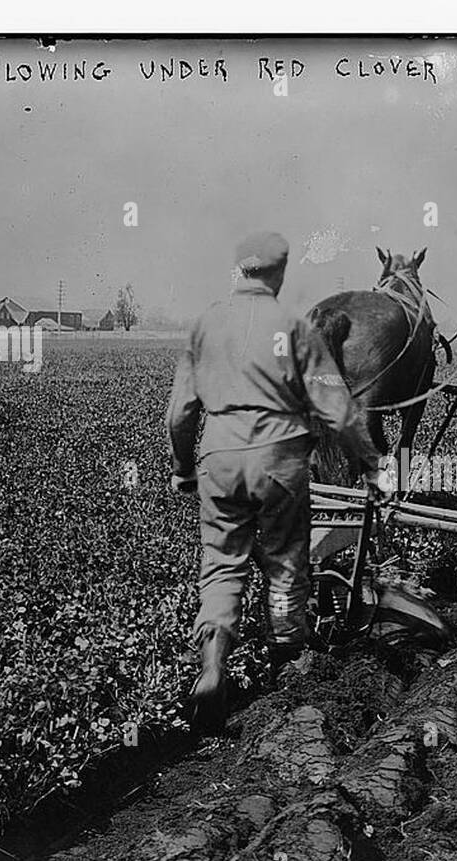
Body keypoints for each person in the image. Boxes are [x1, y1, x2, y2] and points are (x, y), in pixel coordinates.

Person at [166, 231, 385, 732]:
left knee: (221, 568)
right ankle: (287, 666)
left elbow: (180, 412)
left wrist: (183, 468)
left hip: (218, 457)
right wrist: (373, 466)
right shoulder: (293, 327)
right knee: (286, 561)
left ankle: (213, 662)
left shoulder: (205, 324)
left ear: (239, 270)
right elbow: (339, 412)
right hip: (279, 460)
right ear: (280, 273)